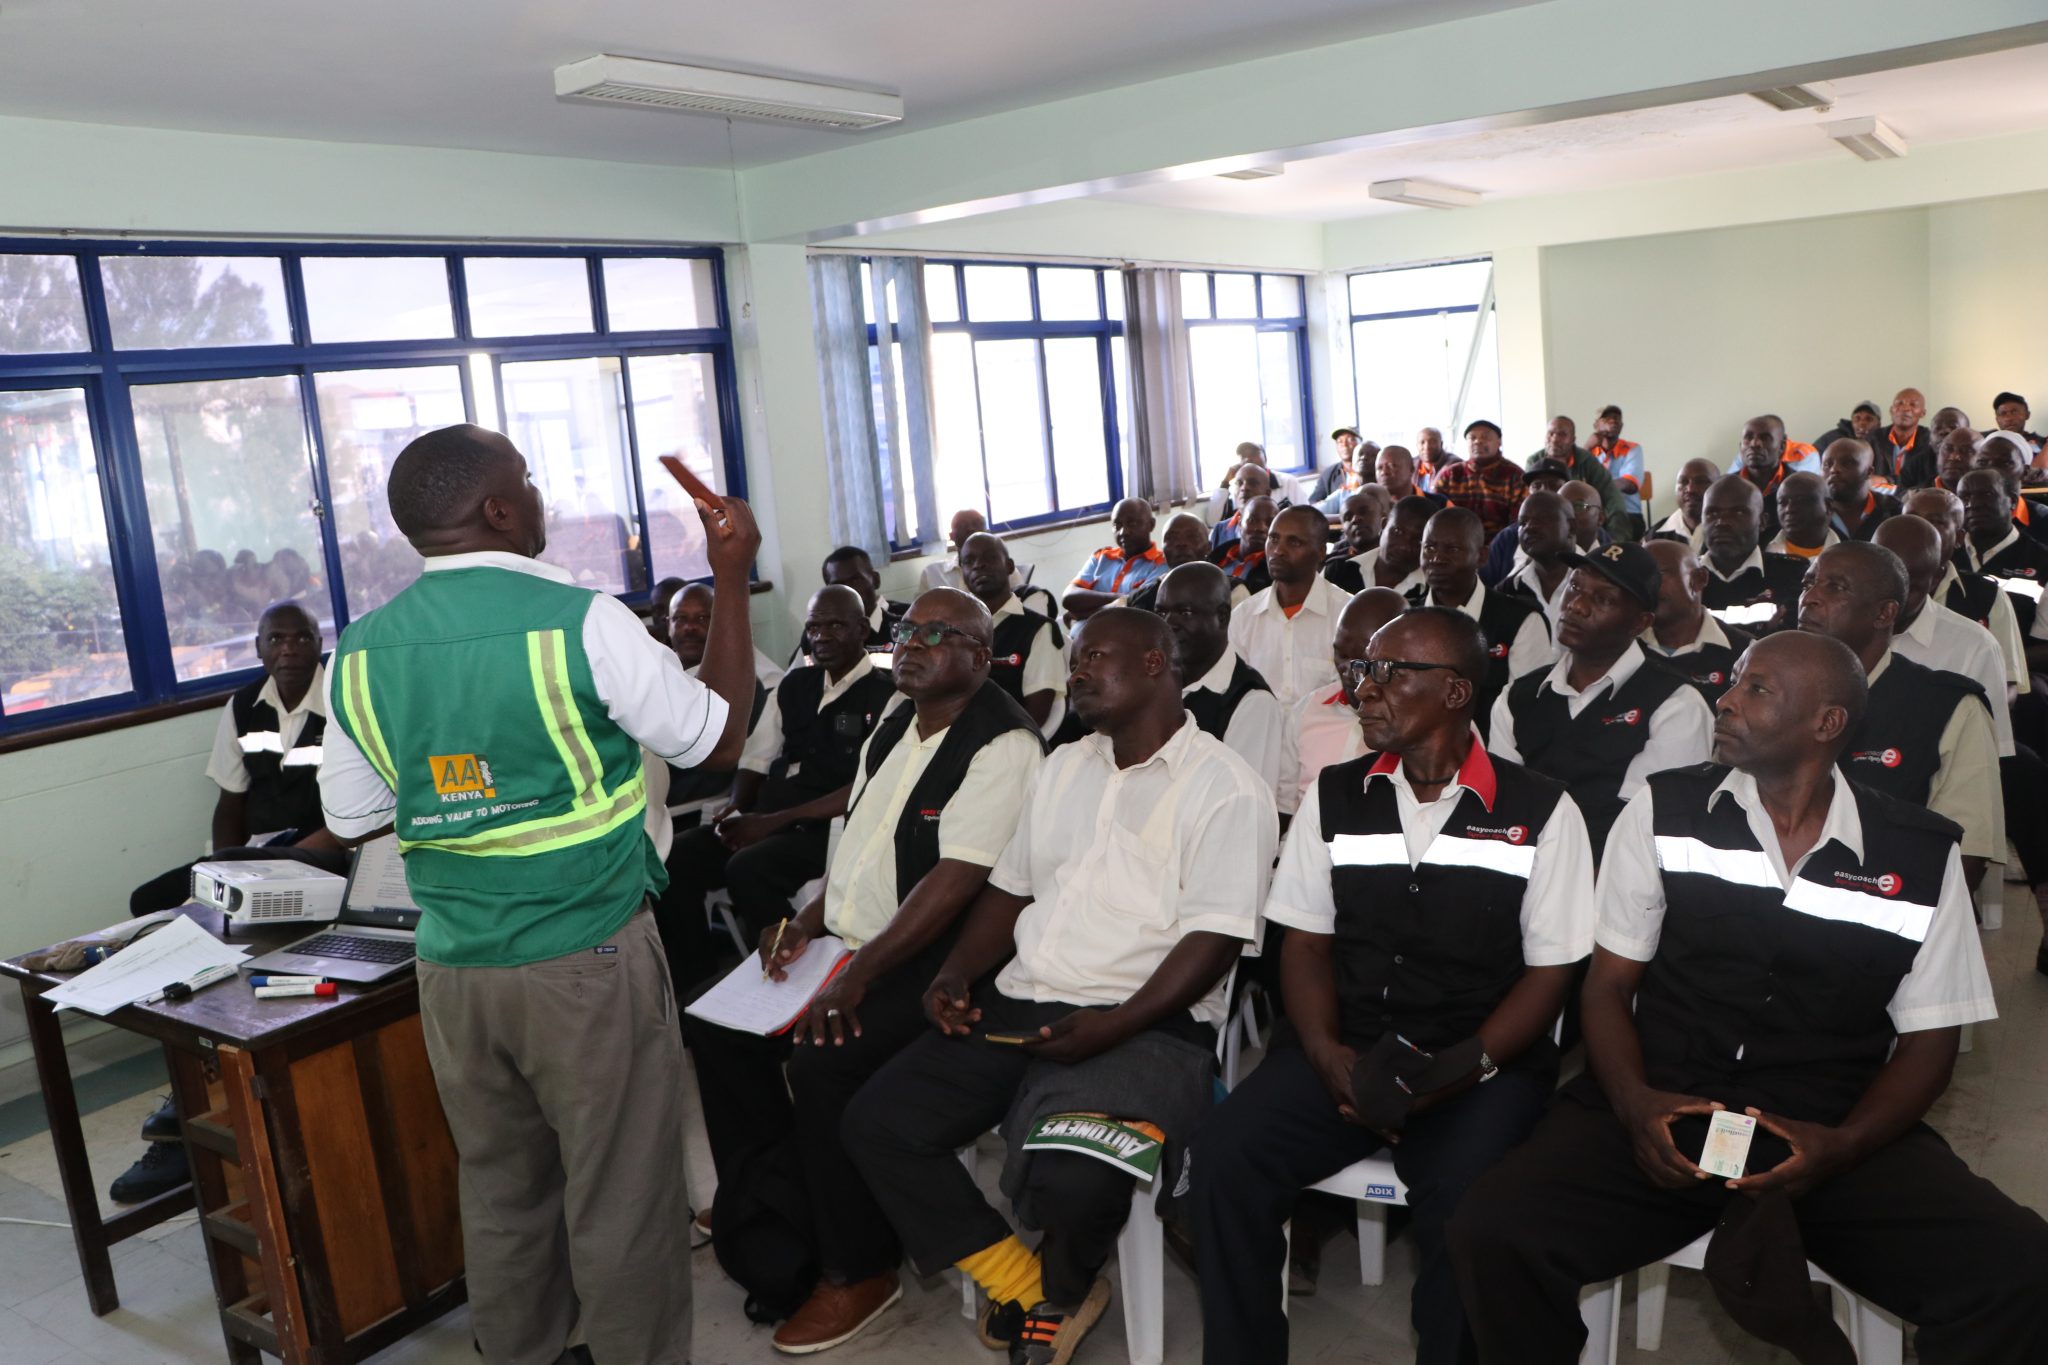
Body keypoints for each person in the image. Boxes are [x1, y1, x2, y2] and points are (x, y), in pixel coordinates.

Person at [1450, 629, 2047, 1365]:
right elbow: (1609, 983)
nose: (1723, 701)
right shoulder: (1666, 808)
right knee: (1494, 1228)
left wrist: (1843, 1146)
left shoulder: (1918, 853)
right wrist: (1635, 1107)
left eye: (1755, 689)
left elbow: (1931, 1040)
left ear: (1827, 724)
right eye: (1731, 681)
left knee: (2021, 1268)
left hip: (1828, 1123)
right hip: (1665, 1104)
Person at [317, 424, 765, 1365]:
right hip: (586, 961)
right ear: (498, 508)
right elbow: (716, 742)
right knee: (624, 1202)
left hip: (452, 970)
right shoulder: (583, 622)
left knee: (504, 1198)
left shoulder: (360, 650)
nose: (538, 492)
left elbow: (353, 813)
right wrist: (731, 573)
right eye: (527, 477)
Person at [842, 608, 1277, 1365]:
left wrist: (1114, 1026)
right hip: (1025, 998)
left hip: (1146, 1019)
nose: (1074, 674)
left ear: (1154, 664)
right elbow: (1009, 892)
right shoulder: (1063, 765)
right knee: (878, 1119)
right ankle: (1019, 1277)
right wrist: (954, 971)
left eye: (1093, 658)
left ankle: (1068, 1288)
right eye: (1072, 661)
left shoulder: (1225, 788)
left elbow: (1211, 943)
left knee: (1076, 1179)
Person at [1193, 606, 1596, 1365]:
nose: (1361, 690)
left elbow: (1551, 977)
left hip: (1478, 1065)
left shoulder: (1542, 811)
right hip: (1344, 1047)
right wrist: (1323, 1052)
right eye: (1358, 672)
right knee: (1224, 1154)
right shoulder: (1338, 795)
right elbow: (1305, 941)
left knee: (1471, 1205)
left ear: (1453, 692)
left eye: (1385, 672)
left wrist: (1451, 1074)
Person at [685, 588, 1046, 1353]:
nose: (913, 643)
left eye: (940, 634)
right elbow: (854, 837)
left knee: (823, 1061)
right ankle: (773, 1196)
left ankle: (859, 1267)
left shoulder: (1002, 744)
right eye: (909, 629)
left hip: (939, 964)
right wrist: (804, 923)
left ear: (982, 657)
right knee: (718, 1031)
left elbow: (953, 881)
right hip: (851, 941)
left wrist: (856, 973)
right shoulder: (894, 717)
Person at [116, 601, 344, 1204]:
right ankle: (191, 1082)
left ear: (320, 643)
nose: (289, 648)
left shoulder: (342, 701)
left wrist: (278, 866)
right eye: (277, 638)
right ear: (260, 647)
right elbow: (231, 801)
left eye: (301, 637)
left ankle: (197, 1101)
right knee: (154, 902)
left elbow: (358, 812)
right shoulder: (245, 706)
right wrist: (225, 867)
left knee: (249, 935)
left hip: (321, 855)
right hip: (257, 855)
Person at [661, 586, 899, 969]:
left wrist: (773, 822)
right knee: (677, 857)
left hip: (828, 828)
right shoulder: (794, 685)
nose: (820, 636)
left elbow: (866, 786)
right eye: (813, 627)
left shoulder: (887, 696)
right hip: (767, 819)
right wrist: (737, 807)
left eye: (835, 625)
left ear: (862, 629)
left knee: (749, 869)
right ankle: (699, 977)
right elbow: (757, 759)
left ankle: (790, 969)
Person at [1797, 543, 2003, 893]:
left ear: (1884, 613)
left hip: (1882, 918)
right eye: (1808, 583)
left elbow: (1965, 856)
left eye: (1836, 587)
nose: (1810, 597)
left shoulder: (1948, 707)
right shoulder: (1771, 691)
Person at [1492, 544, 1714, 854]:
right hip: (1523, 872)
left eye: (1603, 599)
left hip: (1614, 887)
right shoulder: (1519, 697)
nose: (1576, 606)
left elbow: (1648, 828)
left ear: (1640, 623)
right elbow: (1503, 806)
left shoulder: (1676, 704)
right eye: (1575, 587)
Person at [1416, 507, 1551, 738]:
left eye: (1452, 549)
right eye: (1429, 548)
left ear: (1482, 556)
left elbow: (1528, 711)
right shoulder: (1405, 617)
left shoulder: (1520, 621)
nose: (1437, 559)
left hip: (1493, 756)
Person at [1155, 562, 1285, 796]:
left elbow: (1242, 801)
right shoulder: (1152, 682)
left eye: (1185, 612)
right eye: (1161, 612)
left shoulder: (1250, 702)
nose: (1168, 624)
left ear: (1223, 616)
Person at [1279, 588, 1408, 819]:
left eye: (1363, 660)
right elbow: (1285, 808)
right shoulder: (1308, 710)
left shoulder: (1430, 724)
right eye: (1340, 654)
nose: (1348, 669)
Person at [1903, 488, 2030, 702]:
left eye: (1936, 522)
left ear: (1959, 538)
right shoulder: (1874, 590)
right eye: (1911, 521)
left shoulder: (1987, 596)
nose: (1921, 530)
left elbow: (2008, 683)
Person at [1229, 505, 1356, 708]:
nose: (1278, 551)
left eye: (1294, 542)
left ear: (1321, 552)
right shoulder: (1244, 617)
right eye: (1273, 539)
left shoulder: (1348, 615)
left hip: (1325, 735)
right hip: (1259, 733)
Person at [960, 531, 1069, 733]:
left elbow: (1037, 713)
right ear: (963, 573)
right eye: (969, 561)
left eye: (989, 557)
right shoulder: (956, 629)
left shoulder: (1037, 629)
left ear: (1009, 566)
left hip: (1006, 740)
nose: (978, 565)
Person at [1641, 539, 1754, 702]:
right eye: (1639, 579)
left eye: (1658, 575)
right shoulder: (1619, 648)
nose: (1646, 587)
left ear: (1699, 579)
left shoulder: (1746, 653)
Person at [1699, 475, 1807, 629]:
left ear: (1762, 522)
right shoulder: (1684, 579)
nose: (1722, 522)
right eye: (1712, 513)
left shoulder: (1793, 575)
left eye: (1738, 512)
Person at [1957, 468, 2048, 649]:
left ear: (2012, 501)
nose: (1973, 504)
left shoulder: (2042, 561)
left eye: (1987, 494)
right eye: (1964, 497)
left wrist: (1992, 666)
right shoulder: (1945, 555)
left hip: (2021, 670)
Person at [1522, 415, 1631, 542]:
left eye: (1562, 434)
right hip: (1541, 526)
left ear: (1573, 439)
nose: (1555, 439)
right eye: (1550, 433)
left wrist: (1616, 540)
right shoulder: (1534, 462)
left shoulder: (1587, 462)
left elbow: (1613, 500)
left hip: (1581, 525)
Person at [1063, 498, 1167, 623]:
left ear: (1151, 525)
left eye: (1132, 523)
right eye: (1117, 525)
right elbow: (1069, 598)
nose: (1123, 532)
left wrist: (1082, 614)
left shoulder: (1161, 564)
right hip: (1081, 638)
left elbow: (1137, 609)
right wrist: (1125, 598)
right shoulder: (1101, 557)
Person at [1491, 491, 1577, 627]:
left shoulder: (1596, 584)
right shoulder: (1508, 591)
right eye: (1522, 522)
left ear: (1571, 527)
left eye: (1541, 520)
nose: (1529, 528)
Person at [1434, 420, 1526, 541]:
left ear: (1499, 442)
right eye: (1472, 438)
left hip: (1500, 546)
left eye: (1485, 437)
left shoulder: (1515, 475)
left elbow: (1519, 522)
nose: (1477, 442)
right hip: (1455, 543)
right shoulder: (1450, 475)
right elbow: (1436, 515)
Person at [1126, 511, 1221, 614]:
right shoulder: (1147, 595)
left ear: (1209, 547)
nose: (1181, 543)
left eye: (1192, 537)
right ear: (1162, 550)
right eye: (1172, 538)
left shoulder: (1227, 590)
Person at [1351, 494, 1432, 599]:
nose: (1404, 545)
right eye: (1398, 532)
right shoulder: (1338, 571)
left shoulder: (1431, 591)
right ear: (1384, 525)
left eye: (1418, 540)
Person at [1820, 437, 1900, 541]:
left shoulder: (1893, 512)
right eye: (1827, 464)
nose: (1834, 469)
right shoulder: (1810, 513)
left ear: (1869, 472)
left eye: (1847, 463)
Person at [1585, 404, 1646, 536]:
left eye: (1616, 418)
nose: (1613, 421)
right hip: (1595, 513)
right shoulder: (1588, 453)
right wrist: (1586, 448)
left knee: (1613, 527)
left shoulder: (1632, 449)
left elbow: (1629, 484)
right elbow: (1576, 482)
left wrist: (1596, 488)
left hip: (1627, 513)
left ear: (1621, 425)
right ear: (1596, 426)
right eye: (1606, 418)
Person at [1320, 489, 1387, 593]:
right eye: (1348, 517)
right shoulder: (1335, 569)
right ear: (1344, 531)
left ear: (1383, 519)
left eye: (1364, 512)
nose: (1355, 519)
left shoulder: (1400, 559)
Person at [1732, 414, 1814, 496]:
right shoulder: (1727, 487)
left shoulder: (1801, 487)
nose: (1754, 443)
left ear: (1782, 446)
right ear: (1740, 446)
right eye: (1748, 437)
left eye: (1765, 438)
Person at [1648, 458, 1718, 549]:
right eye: (1683, 482)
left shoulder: (1730, 532)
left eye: (1701, 482)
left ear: (1718, 487)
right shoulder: (1656, 536)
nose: (1690, 490)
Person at [1765, 471, 1838, 559]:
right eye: (1782, 502)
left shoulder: (1848, 553)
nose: (1789, 509)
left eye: (1801, 501)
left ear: (1828, 506)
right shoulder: (1761, 545)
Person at [1213, 494, 1277, 593]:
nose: (1260, 528)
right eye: (1252, 520)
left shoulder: (1275, 570)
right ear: (1239, 523)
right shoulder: (1216, 557)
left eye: (1270, 523)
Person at [1211, 463, 1276, 554]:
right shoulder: (1220, 529)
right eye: (1239, 483)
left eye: (1253, 483)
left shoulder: (1278, 527)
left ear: (1267, 493)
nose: (1244, 488)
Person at [1876, 386, 1935, 487]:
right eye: (1899, 403)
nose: (1905, 408)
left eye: (1913, 405)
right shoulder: (1875, 438)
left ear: (1923, 413)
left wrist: (1887, 480)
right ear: (1891, 410)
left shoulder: (1930, 442)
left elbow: (1928, 481)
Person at [1309, 426, 1365, 503]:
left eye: (1350, 440)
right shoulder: (1328, 474)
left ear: (1361, 444)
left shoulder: (1371, 470)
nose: (1345, 445)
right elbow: (1313, 501)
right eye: (1340, 441)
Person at [1812, 398, 1881, 457]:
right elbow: (1811, 459)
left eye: (1869, 419)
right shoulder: (1833, 439)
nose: (1862, 423)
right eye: (1857, 418)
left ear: (1878, 424)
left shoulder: (1884, 443)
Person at [1992, 390, 2045, 455]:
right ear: (1997, 420)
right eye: (2003, 413)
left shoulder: (2043, 444)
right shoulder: (1986, 443)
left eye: (2014, 412)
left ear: (2027, 415)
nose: (2009, 418)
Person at [647, 575, 688, 646]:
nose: (664, 616)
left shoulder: (702, 645)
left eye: (673, 609)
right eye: (659, 609)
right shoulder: (646, 641)